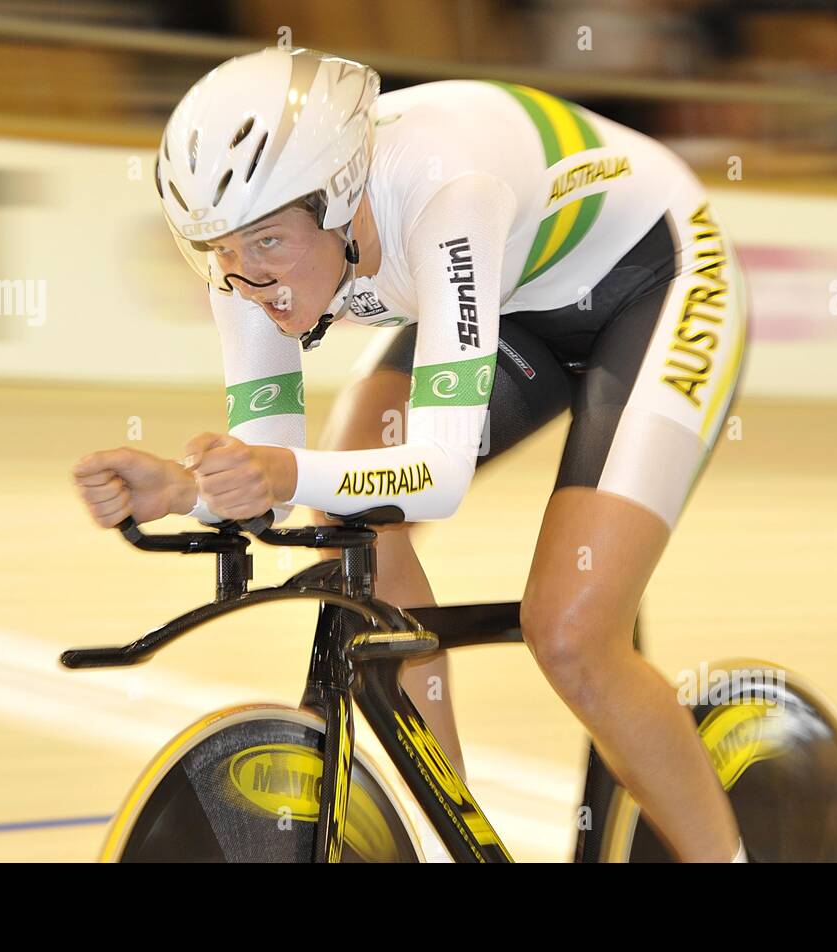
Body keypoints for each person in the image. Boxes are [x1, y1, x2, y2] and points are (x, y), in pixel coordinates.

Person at [72, 47, 749, 862]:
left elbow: (435, 473)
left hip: (653, 278)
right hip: (512, 298)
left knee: (571, 632)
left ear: (339, 199)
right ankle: (452, 838)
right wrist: (185, 487)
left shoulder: (445, 190)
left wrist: (282, 474)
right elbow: (272, 471)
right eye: (218, 251)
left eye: (269, 245)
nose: (249, 280)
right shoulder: (249, 259)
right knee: (346, 517)